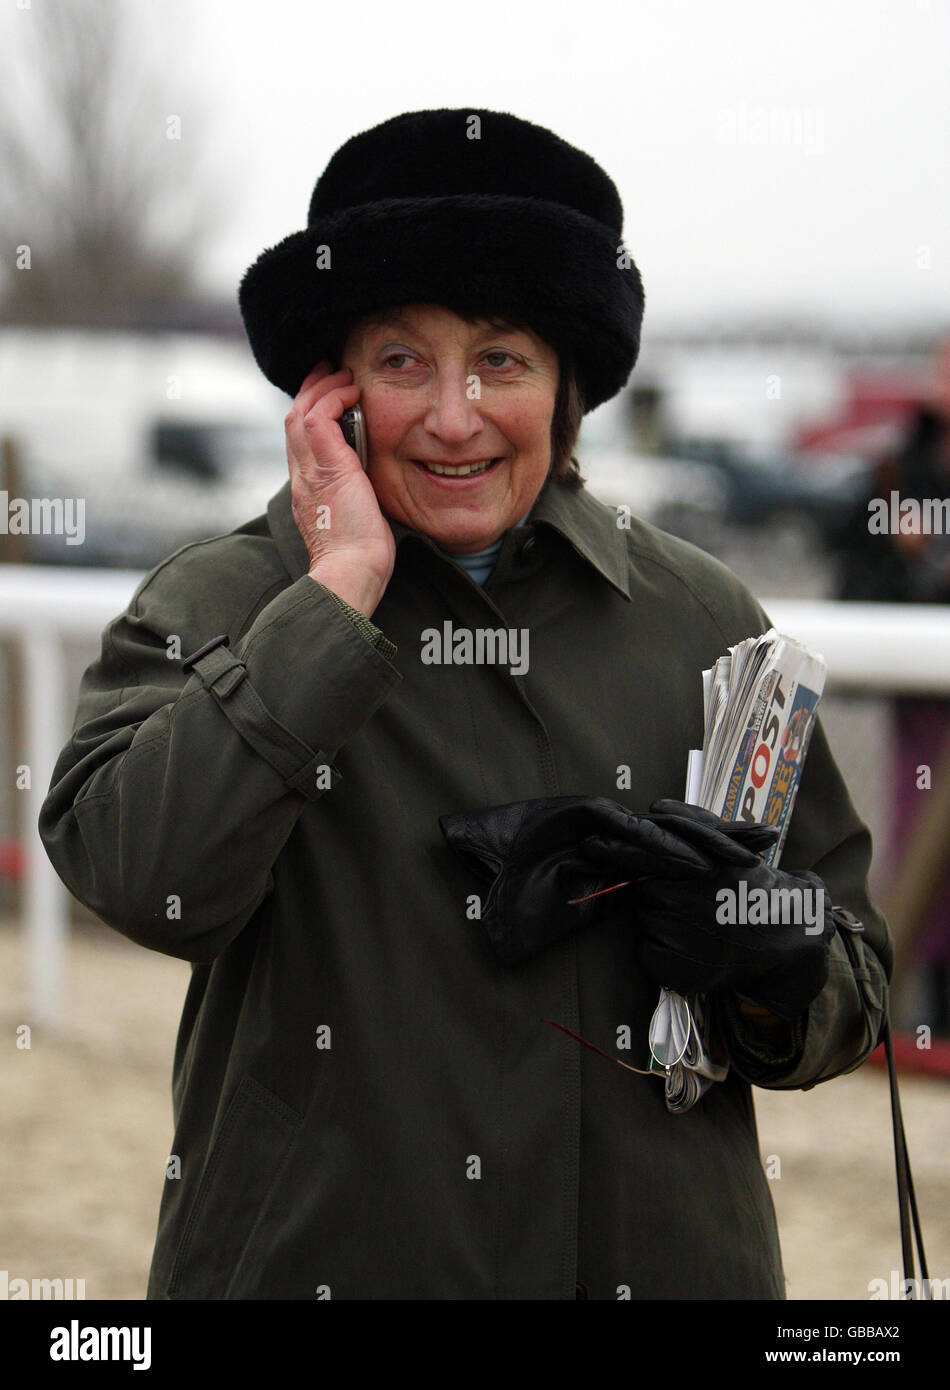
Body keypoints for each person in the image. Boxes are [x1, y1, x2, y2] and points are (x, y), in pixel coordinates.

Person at [38, 107, 890, 1301]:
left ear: (566, 387)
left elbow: (855, 970)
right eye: (401, 361)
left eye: (500, 359)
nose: (452, 414)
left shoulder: (704, 620)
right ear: (330, 395)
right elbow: (139, 879)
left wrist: (777, 956)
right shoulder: (224, 597)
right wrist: (333, 603)